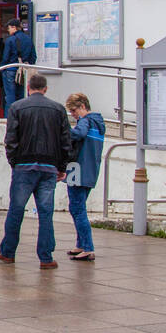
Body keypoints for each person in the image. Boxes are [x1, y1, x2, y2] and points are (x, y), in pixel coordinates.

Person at [0, 73, 72, 270]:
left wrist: (14, 162)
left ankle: (8, 252)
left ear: (28, 87)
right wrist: (61, 167)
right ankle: (46, 257)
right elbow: (66, 142)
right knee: (45, 213)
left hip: (24, 167)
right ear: (45, 89)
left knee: (16, 210)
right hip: (49, 168)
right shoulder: (58, 109)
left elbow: (10, 139)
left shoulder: (16, 107)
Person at [65, 93, 106, 262]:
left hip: (78, 170)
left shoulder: (85, 122)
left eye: (74, 111)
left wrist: (63, 129)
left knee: (77, 208)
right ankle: (81, 244)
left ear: (83, 106)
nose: (73, 115)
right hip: (90, 170)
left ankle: (87, 247)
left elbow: (78, 135)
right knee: (78, 206)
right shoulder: (98, 122)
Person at [1, 18, 37, 115]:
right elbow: (33, 57)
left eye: (9, 28)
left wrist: (1, 69)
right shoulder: (29, 39)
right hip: (24, 70)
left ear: (14, 27)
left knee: (10, 96)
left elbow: (5, 57)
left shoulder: (10, 40)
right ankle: (22, 117)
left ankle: (9, 118)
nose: (8, 31)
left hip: (11, 70)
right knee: (22, 95)